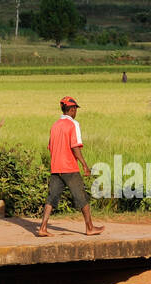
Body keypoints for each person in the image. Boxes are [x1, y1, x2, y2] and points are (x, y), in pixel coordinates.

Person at [37, 96, 104, 237]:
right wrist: (84, 165)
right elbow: (75, 146)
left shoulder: (54, 125)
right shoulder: (73, 124)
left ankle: (43, 227)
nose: (76, 112)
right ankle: (90, 227)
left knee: (51, 198)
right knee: (81, 197)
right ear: (72, 109)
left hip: (56, 167)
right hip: (70, 167)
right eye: (75, 109)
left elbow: (50, 147)